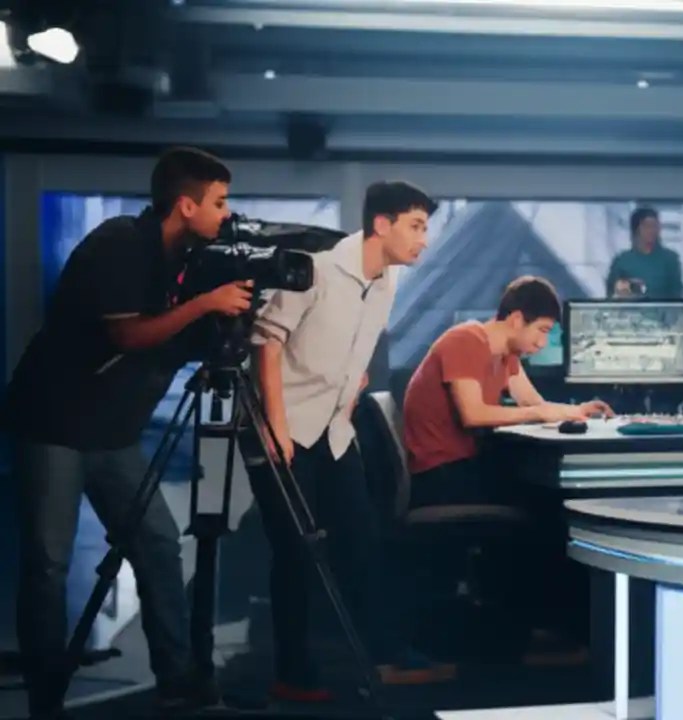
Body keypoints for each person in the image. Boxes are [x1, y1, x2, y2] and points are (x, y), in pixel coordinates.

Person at [3, 147, 248, 718]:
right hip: (55, 423)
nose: (226, 213)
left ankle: (177, 680)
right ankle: (45, 697)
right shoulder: (118, 244)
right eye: (219, 202)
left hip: (113, 433)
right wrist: (205, 304)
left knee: (158, 542)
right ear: (185, 205)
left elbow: (182, 341)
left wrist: (224, 320)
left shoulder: (187, 261)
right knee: (49, 563)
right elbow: (131, 336)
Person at [247, 180, 443, 701]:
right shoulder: (317, 268)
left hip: (334, 431)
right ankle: (292, 673)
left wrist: (352, 386)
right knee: (295, 553)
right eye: (416, 226)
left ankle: (384, 649)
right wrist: (276, 427)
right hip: (286, 428)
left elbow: (359, 343)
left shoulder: (386, 280)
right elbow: (266, 342)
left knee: (362, 540)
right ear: (381, 224)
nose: (424, 240)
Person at [403, 276, 613, 505]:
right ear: (516, 320)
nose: (542, 343)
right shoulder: (466, 340)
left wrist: (578, 411)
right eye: (542, 330)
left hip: (466, 466)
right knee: (545, 495)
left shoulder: (506, 355)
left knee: (550, 485)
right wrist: (538, 413)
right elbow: (474, 414)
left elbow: (533, 402)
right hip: (439, 476)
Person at [605, 207, 683, 299]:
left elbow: (677, 296)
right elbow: (612, 295)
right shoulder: (622, 262)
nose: (652, 230)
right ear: (636, 229)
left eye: (655, 226)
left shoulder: (670, 259)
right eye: (647, 226)